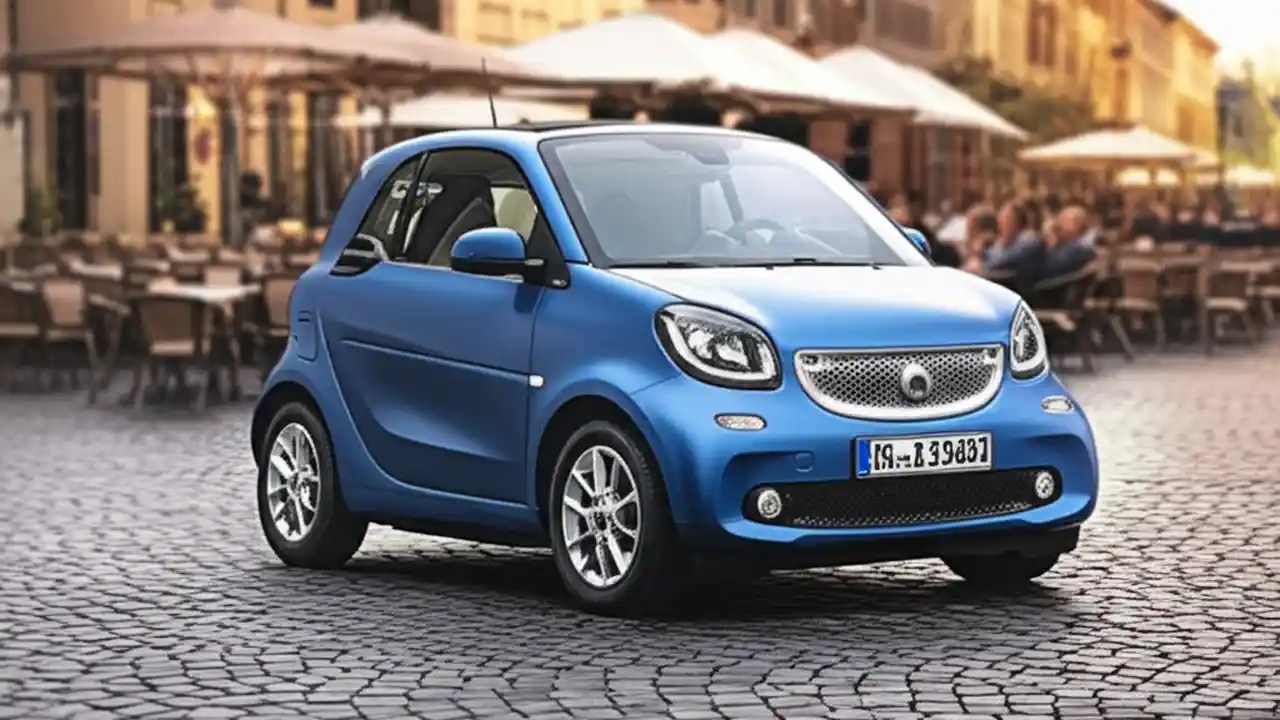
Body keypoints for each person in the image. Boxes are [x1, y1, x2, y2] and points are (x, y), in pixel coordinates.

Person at [1041, 205, 1097, 279]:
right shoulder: (1063, 245)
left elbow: (1048, 268)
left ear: (1078, 225)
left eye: (1064, 221)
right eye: (1058, 220)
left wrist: (1049, 241)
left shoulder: (1078, 250)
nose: (1057, 225)